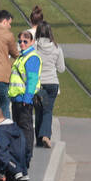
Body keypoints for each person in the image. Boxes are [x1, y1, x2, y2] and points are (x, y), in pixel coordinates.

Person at [8, 29, 41, 171]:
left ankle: (26, 157)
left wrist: (27, 99)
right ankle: (20, 156)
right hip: (17, 99)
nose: (22, 44)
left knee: (25, 129)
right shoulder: (22, 57)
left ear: (32, 42)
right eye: (20, 41)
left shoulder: (31, 58)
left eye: (25, 41)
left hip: (24, 100)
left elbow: (32, 80)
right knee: (20, 129)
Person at [33, 21, 63, 149]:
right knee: (48, 111)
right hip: (52, 83)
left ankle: (39, 140)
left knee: (39, 110)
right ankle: (45, 135)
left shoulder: (34, 47)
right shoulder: (56, 48)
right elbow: (61, 68)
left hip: (39, 84)